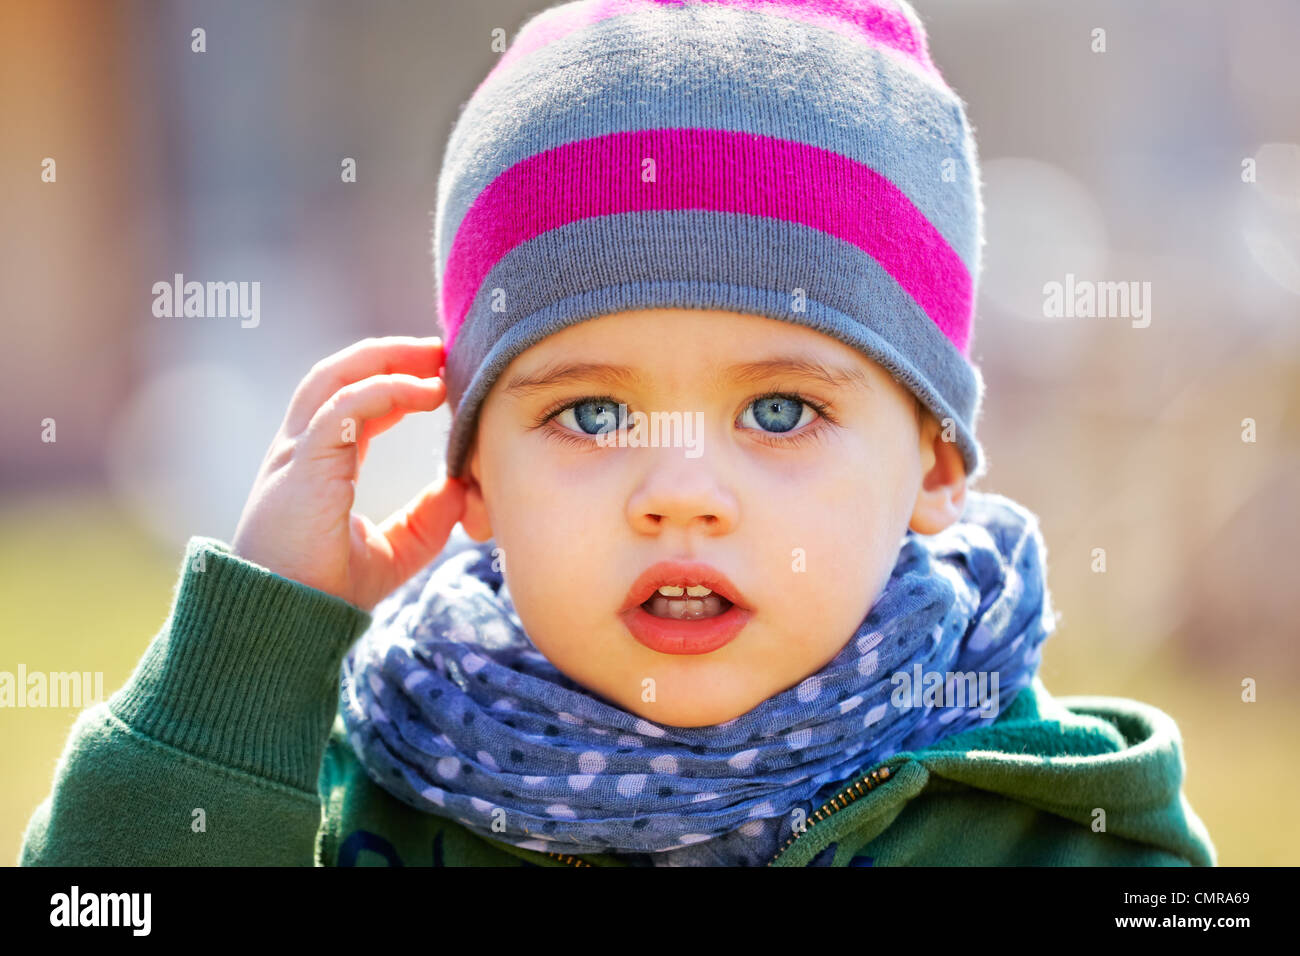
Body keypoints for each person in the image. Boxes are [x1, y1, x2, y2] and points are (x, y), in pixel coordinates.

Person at [20, 0, 1215, 866]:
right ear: (471, 471)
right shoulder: (359, 790)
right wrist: (248, 656)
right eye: (591, 412)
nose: (679, 490)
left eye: (780, 409)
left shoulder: (1049, 826)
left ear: (937, 464)